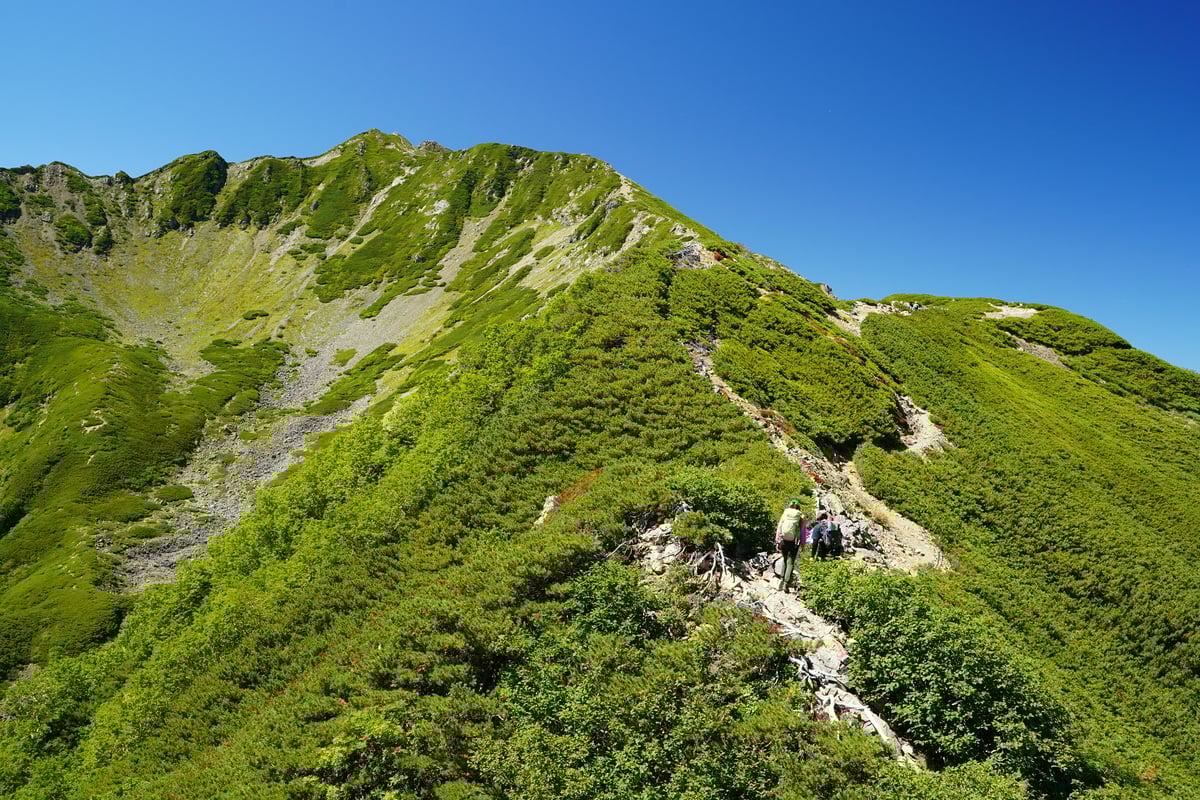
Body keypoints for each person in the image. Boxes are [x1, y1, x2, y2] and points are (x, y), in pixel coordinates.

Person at [775, 498, 807, 592]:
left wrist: (777, 540)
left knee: (785, 559)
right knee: (791, 562)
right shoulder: (801, 516)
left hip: (784, 540)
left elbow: (779, 526)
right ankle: (785, 583)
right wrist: (803, 544)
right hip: (794, 541)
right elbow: (803, 532)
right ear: (798, 506)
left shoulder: (785, 513)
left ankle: (781, 580)